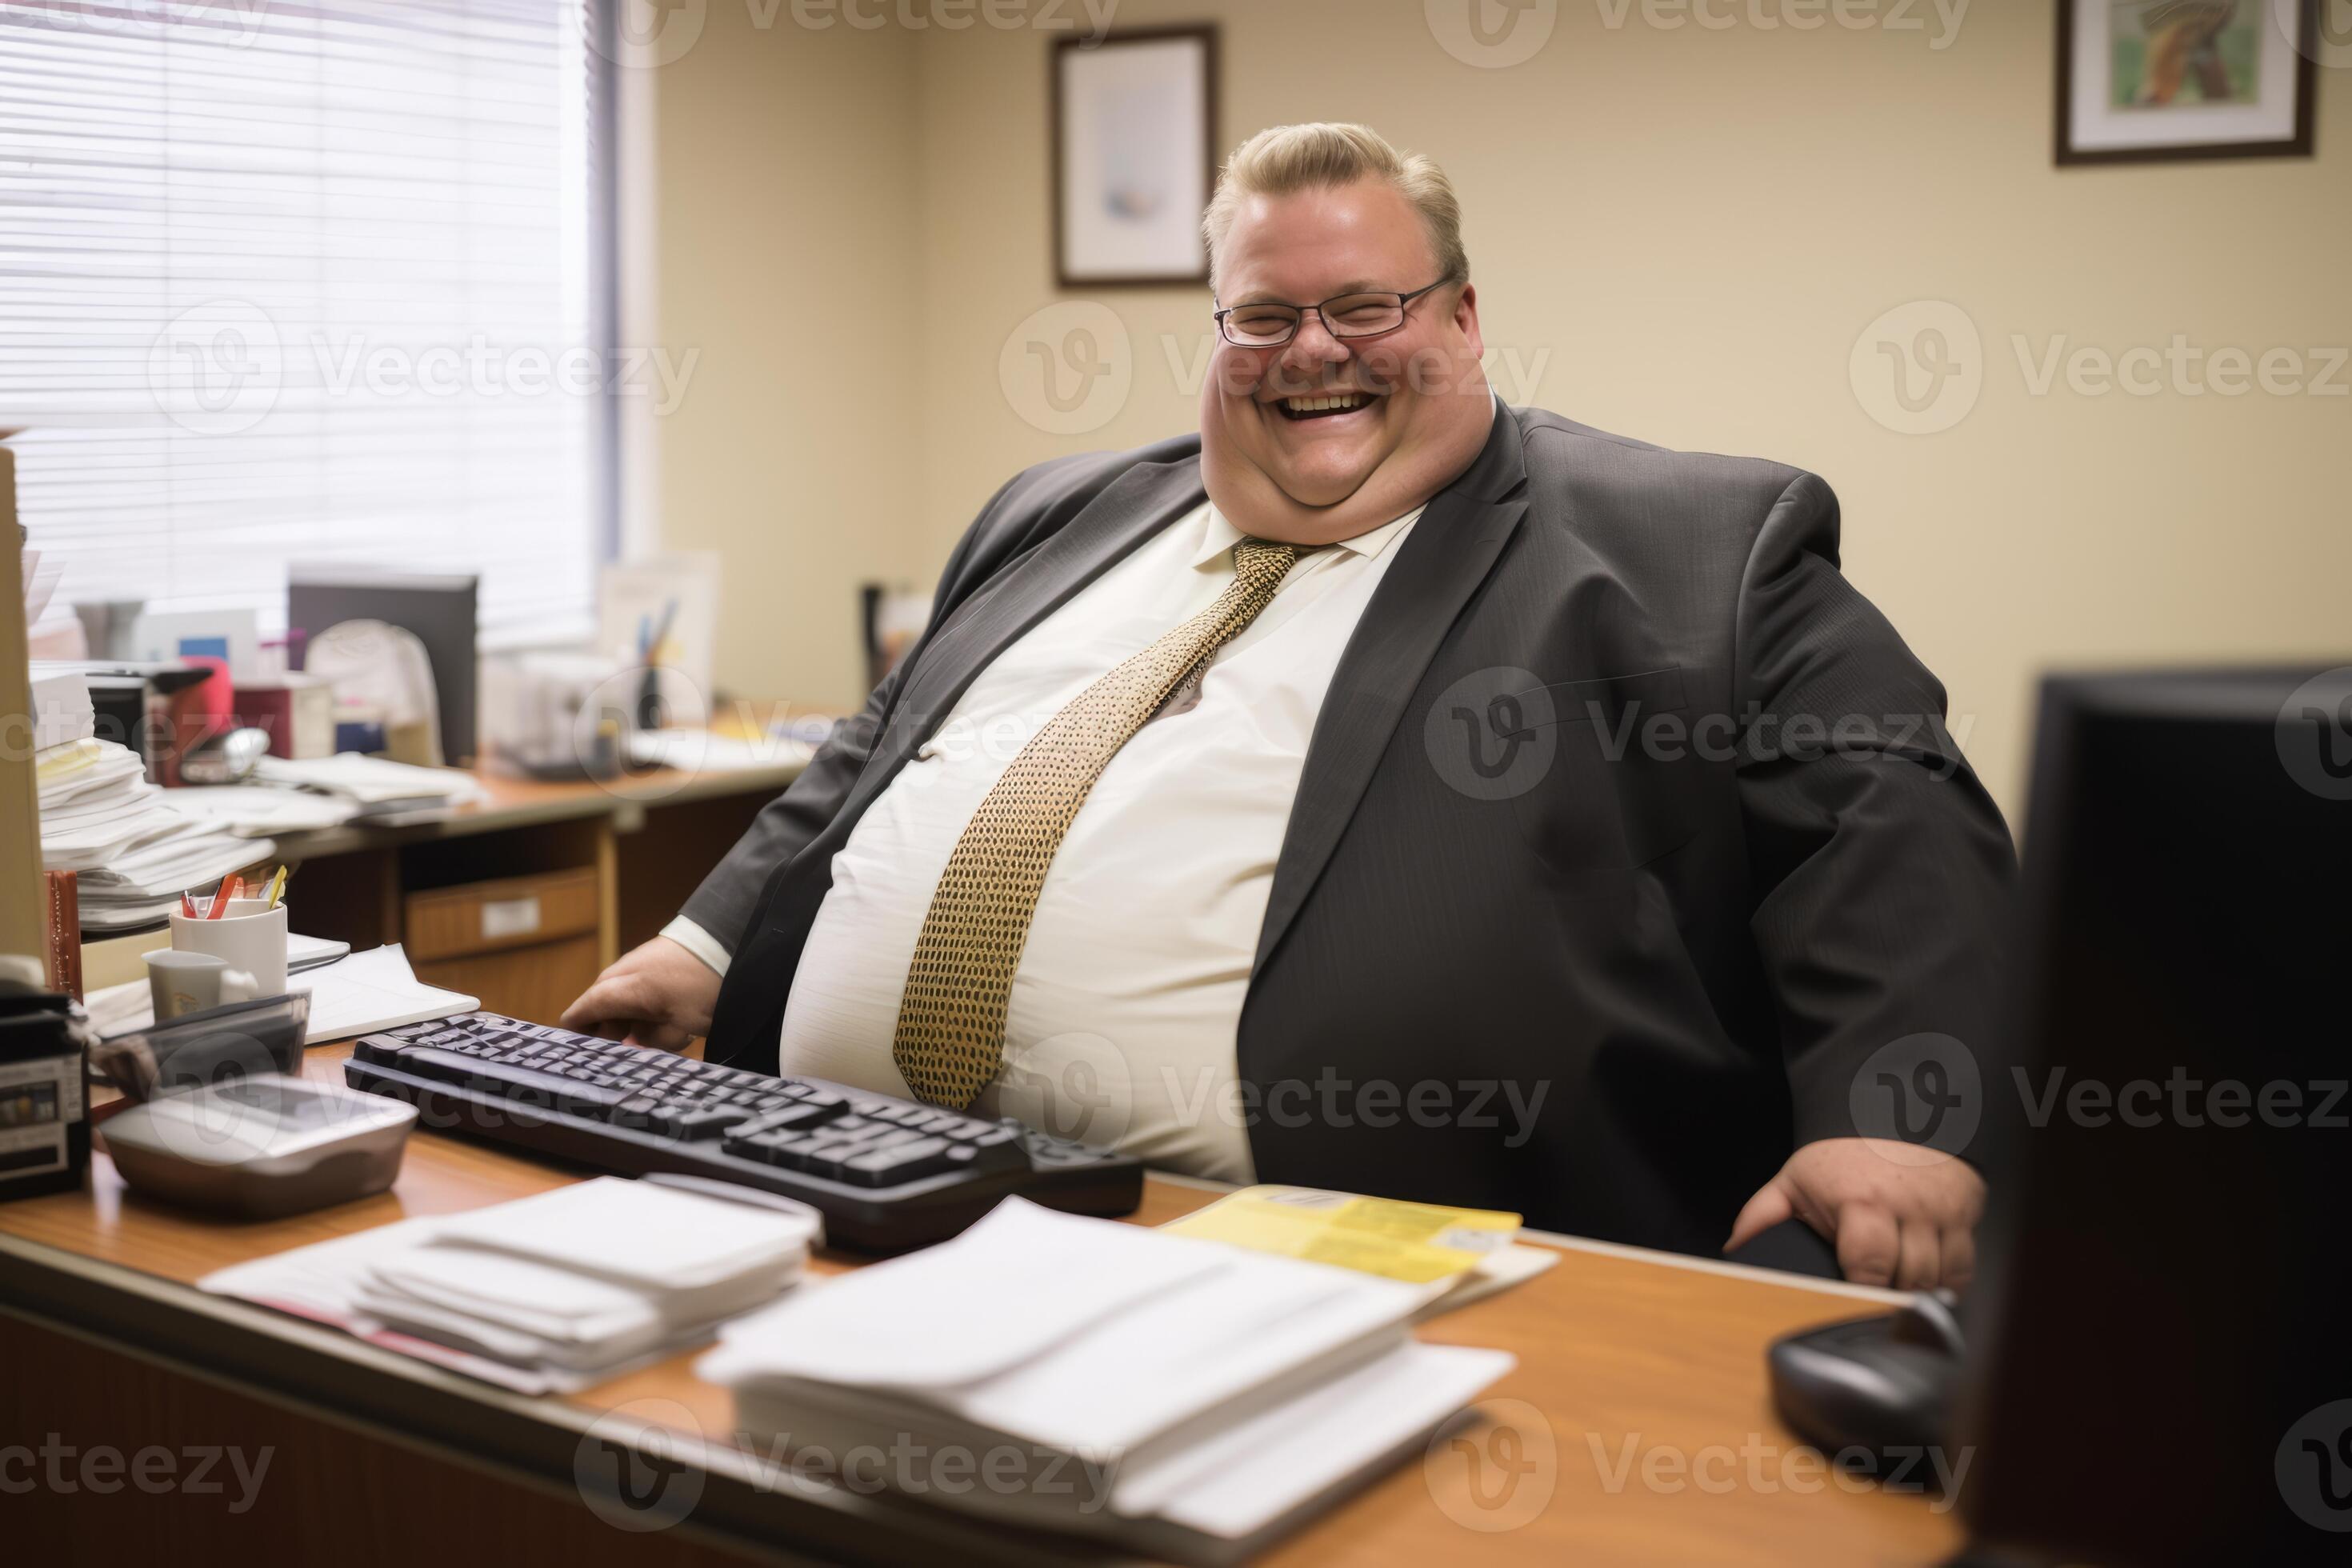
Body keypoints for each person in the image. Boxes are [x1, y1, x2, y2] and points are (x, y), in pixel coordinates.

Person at [566, 123, 2014, 1290]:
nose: (1313, 349)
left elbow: (1887, 816)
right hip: (844, 1193)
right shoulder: (1054, 512)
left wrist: (1894, 1127)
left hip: (1314, 1261)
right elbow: (885, 743)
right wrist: (701, 945)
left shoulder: (1691, 546)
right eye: (1264, 314)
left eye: (1367, 306)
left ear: (1464, 317)